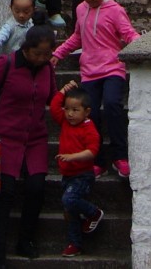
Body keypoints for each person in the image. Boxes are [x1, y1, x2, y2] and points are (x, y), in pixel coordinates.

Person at [0, 25, 57, 268]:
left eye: (47, 54)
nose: (43, 59)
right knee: (5, 193)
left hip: (35, 138)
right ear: (27, 49)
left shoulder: (47, 69)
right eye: (39, 54)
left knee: (36, 188)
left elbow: (52, 97)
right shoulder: (7, 63)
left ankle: (26, 240)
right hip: (7, 138)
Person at [53, 0, 138, 179]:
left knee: (112, 106)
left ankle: (120, 156)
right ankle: (97, 160)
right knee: (90, 115)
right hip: (89, 71)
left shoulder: (116, 11)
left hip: (112, 68)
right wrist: (58, 54)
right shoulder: (81, 9)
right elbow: (77, 37)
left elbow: (128, 33)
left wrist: (141, 48)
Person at [50, 83, 105, 256]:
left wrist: (71, 157)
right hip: (67, 175)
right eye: (67, 109)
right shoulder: (65, 122)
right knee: (70, 212)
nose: (70, 114)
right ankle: (75, 243)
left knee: (69, 199)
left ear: (86, 112)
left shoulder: (89, 128)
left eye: (75, 110)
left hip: (82, 175)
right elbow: (53, 107)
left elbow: (92, 152)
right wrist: (63, 90)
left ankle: (93, 213)